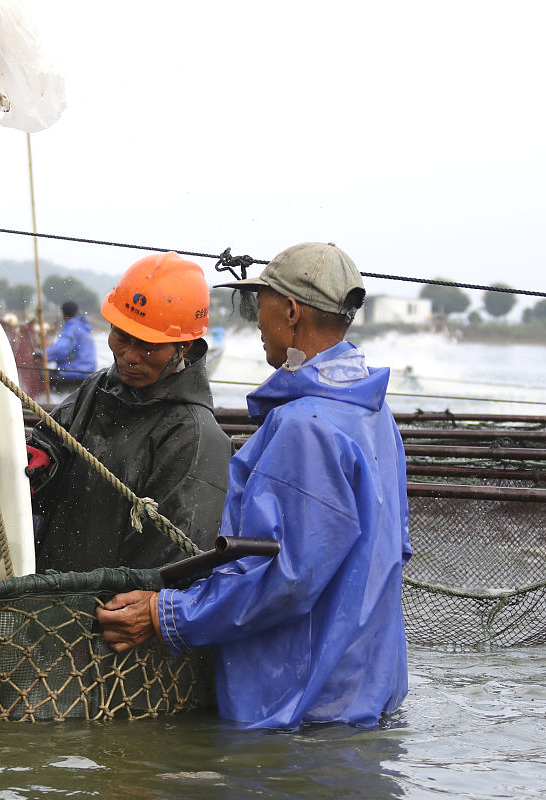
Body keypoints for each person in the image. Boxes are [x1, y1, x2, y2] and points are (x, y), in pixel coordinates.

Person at [97, 242, 411, 730]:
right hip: (367, 695)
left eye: (258, 302)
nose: (255, 320)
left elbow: (284, 578)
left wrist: (168, 613)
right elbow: (393, 550)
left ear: (290, 311)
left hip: (300, 712)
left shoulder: (304, 426)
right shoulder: (374, 414)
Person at [27, 252, 232, 572]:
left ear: (184, 346)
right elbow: (48, 447)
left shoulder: (194, 438)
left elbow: (168, 572)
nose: (130, 356)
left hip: (109, 616)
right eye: (122, 336)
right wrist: (36, 462)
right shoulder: (96, 389)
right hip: (49, 597)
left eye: (148, 344)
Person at [43, 300, 96, 393]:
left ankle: (41, 401)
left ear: (63, 314)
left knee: (40, 375)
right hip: (88, 372)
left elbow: (61, 350)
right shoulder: (83, 326)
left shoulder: (72, 328)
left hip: (74, 373)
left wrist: (41, 354)